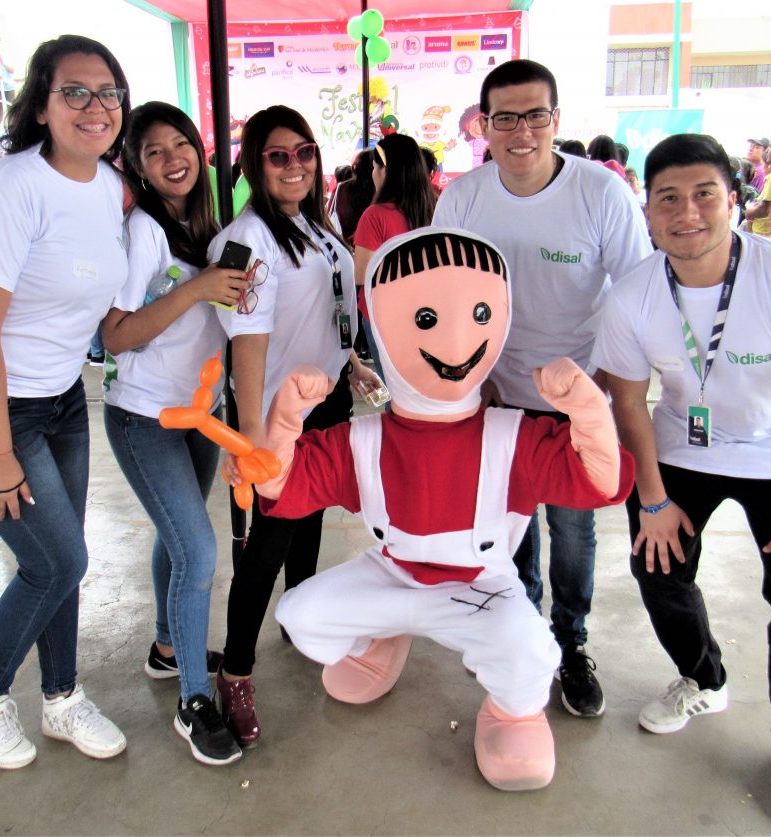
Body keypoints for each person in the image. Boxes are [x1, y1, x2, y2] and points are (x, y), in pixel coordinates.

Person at [250, 228, 633, 792]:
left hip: (480, 588)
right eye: (424, 320)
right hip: (390, 574)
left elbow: (600, 484)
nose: (456, 340)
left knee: (531, 654)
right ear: (381, 326)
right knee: (301, 616)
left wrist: (592, 420)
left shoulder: (516, 436)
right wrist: (282, 428)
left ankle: (511, 714)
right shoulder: (362, 437)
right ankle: (384, 637)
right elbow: (282, 492)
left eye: (480, 313)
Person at [593, 133, 771, 827]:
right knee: (658, 567)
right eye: (669, 199)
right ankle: (703, 677)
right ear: (646, 213)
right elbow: (626, 401)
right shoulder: (632, 295)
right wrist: (650, 497)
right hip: (688, 443)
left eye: (705, 194)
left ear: (735, 202)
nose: (688, 213)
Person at [0, 34, 132, 770]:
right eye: (73, 92)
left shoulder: (109, 186)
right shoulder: (10, 186)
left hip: (60, 399)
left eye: (107, 92)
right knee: (55, 561)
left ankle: (62, 696)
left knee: (64, 559)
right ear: (41, 106)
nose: (95, 106)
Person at [432, 58, 652, 718]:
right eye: (506, 117)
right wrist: (467, 386)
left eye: (535, 115)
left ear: (556, 120)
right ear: (484, 125)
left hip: (576, 401)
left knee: (575, 529)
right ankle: (526, 634)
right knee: (510, 529)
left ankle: (572, 640)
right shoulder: (464, 197)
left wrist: (607, 384)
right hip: (494, 398)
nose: (521, 131)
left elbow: (637, 294)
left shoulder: (600, 194)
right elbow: (442, 294)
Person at [207, 105, 380, 749]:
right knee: (267, 547)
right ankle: (236, 670)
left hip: (328, 400)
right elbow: (246, 346)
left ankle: (302, 619)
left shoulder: (315, 224)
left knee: (309, 527)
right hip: (278, 415)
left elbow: (328, 309)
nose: (295, 165)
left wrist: (353, 363)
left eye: (304, 151)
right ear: (255, 162)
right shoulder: (248, 239)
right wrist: (253, 439)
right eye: (278, 155)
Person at [100, 101, 247, 766]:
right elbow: (116, 334)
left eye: (180, 143)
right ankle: (193, 702)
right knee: (199, 550)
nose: (172, 158)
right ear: (136, 166)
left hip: (201, 414)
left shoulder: (210, 224)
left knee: (176, 537)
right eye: (153, 151)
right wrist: (199, 290)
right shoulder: (145, 231)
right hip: (145, 416)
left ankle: (167, 648)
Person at [353, 133, 438, 382]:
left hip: (385, 317)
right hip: (429, 314)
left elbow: (362, 273)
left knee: (397, 390)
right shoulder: (434, 205)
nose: (372, 173)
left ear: (384, 171)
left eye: (375, 167)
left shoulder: (375, 215)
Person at [0, 53, 17, 124]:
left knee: (11, 104)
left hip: (9, 86)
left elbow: (12, 70)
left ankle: (13, 121)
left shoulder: (6, 61)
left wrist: (3, 64)